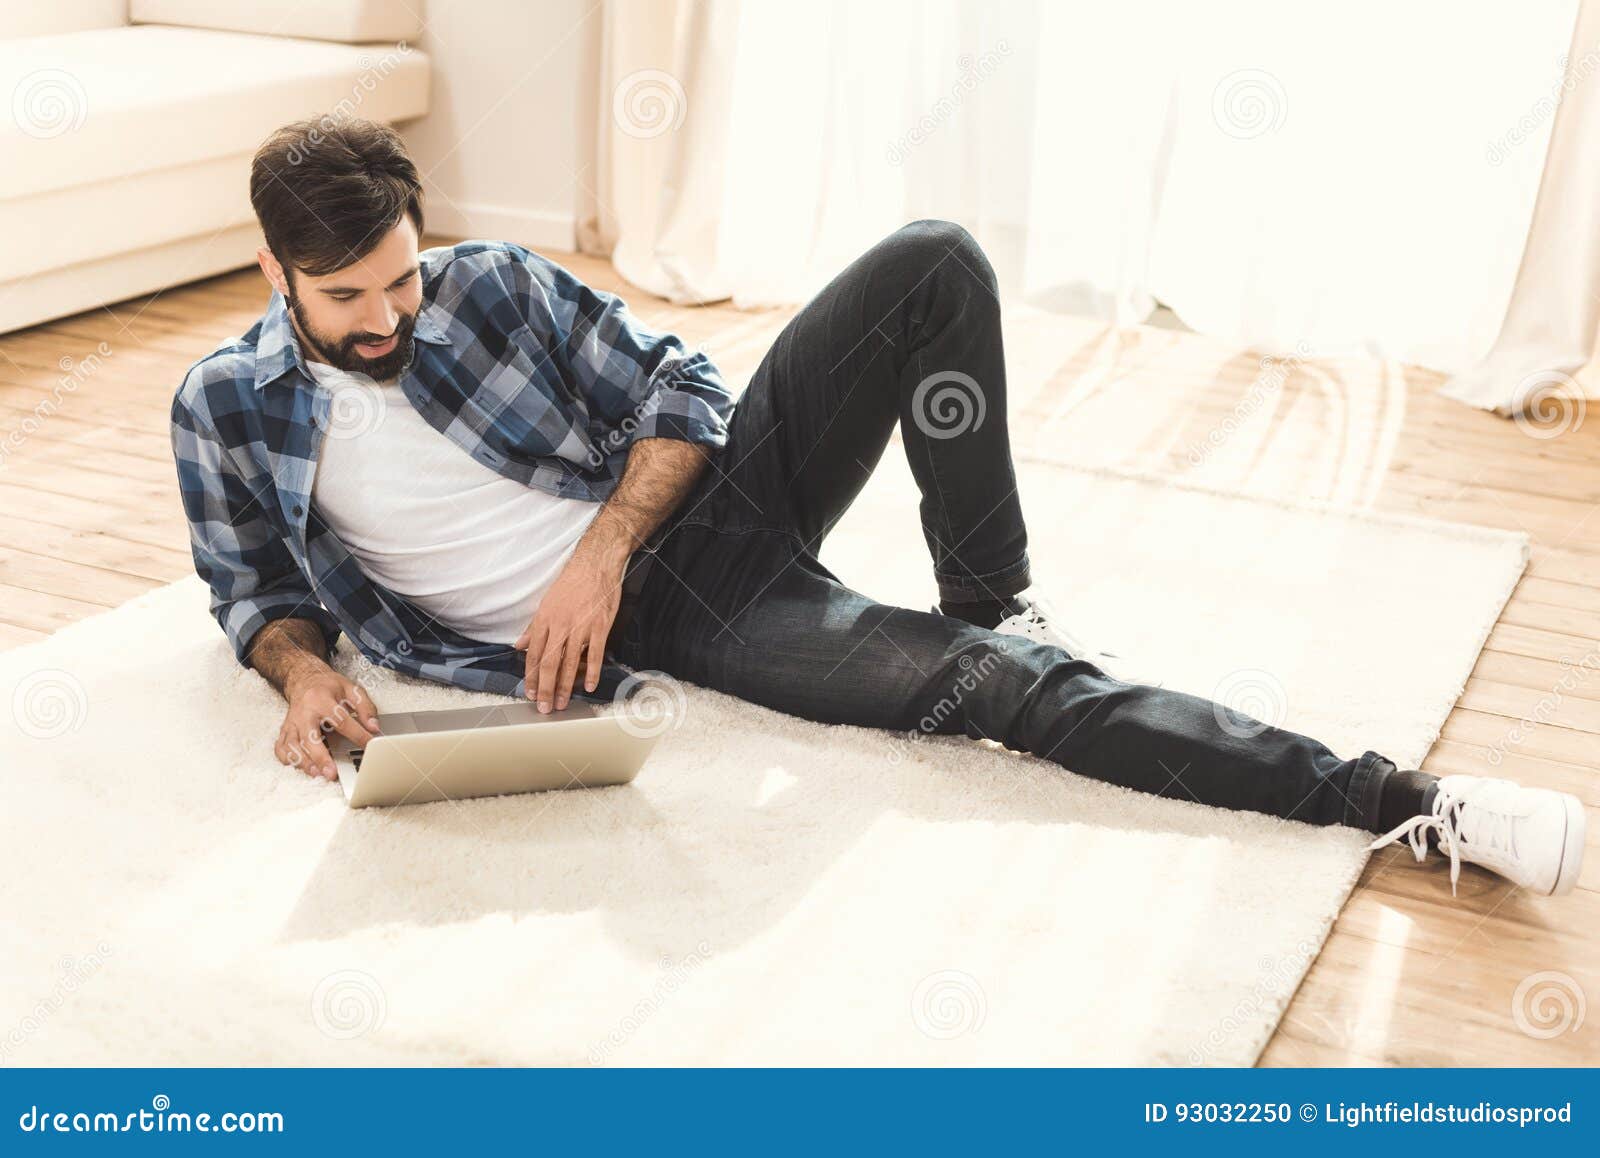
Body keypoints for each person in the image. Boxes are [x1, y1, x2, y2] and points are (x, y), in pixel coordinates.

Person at [171, 118, 1586, 899]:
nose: (386, 316)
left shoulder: (492, 285)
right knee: (998, 693)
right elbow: (253, 590)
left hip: (681, 521)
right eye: (346, 296)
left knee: (932, 258)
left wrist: (601, 547)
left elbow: (680, 388)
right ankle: (1401, 799)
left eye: (400, 279)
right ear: (273, 273)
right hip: (695, 612)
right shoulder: (223, 407)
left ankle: (989, 582)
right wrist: (297, 675)